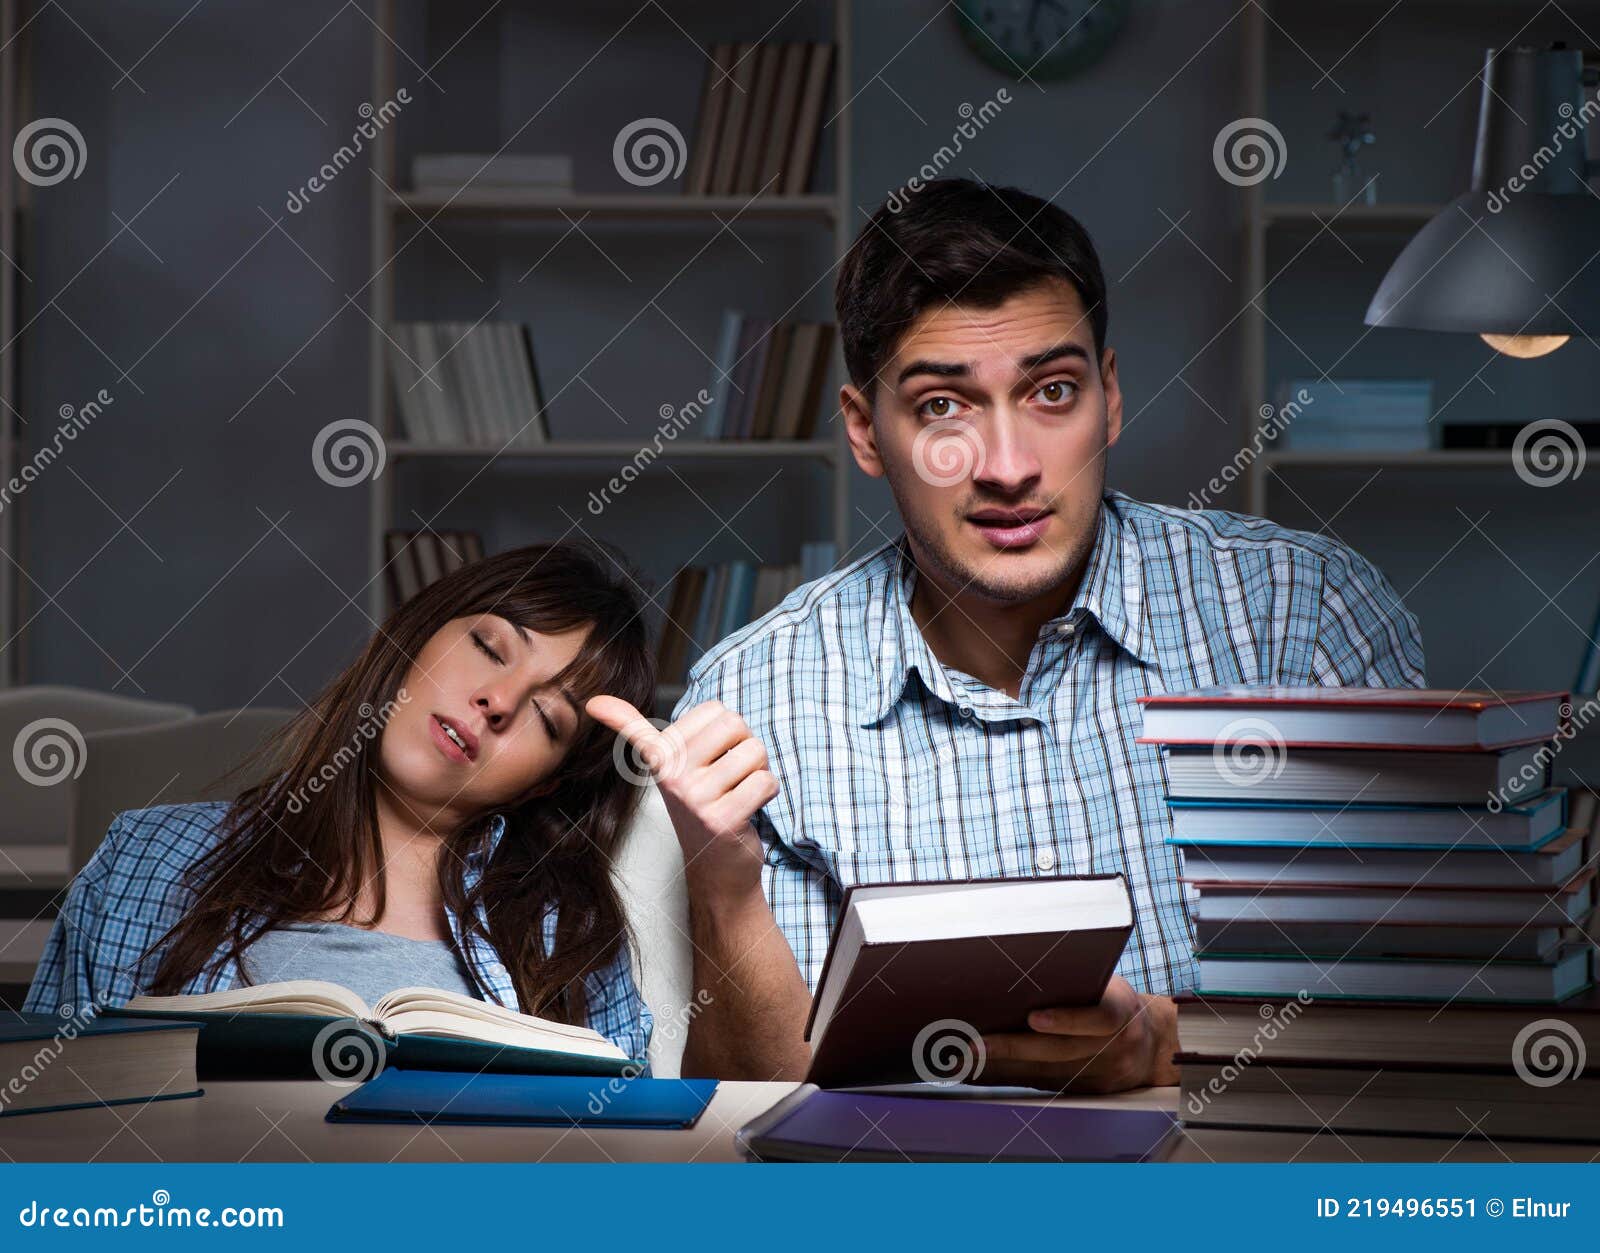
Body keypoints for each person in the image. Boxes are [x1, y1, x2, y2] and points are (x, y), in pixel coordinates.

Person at [588, 177, 1425, 1091]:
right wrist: (723, 886)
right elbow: (758, 1105)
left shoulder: (1304, 616)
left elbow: (1436, 1009)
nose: (1010, 468)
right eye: (943, 405)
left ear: (1109, 394)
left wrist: (1165, 1043)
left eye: (1053, 391)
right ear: (866, 432)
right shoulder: (757, 692)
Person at [27, 542, 658, 1065]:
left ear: (546, 783)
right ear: (419, 634)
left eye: (547, 718)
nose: (497, 700)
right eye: (491, 648)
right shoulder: (144, 859)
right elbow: (39, 1135)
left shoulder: (571, 939)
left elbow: (627, 1167)